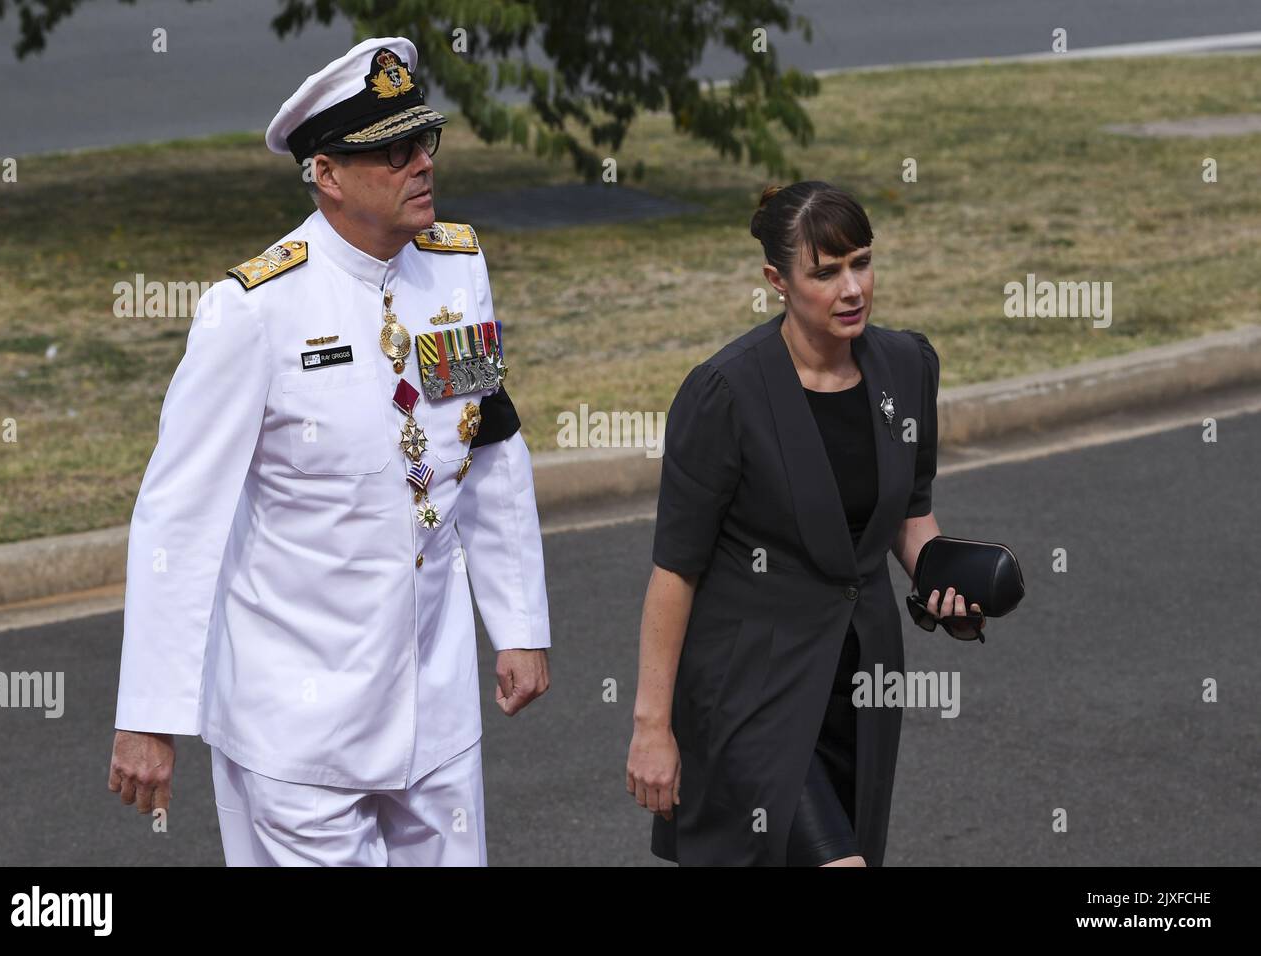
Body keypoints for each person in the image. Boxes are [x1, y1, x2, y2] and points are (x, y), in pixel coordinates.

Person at [107, 37, 552, 866]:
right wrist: (148, 714)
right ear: (326, 173)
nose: (422, 163)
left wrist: (519, 621)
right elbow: (180, 517)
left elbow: (486, 443)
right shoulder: (255, 311)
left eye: (427, 141)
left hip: (436, 703)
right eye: (393, 151)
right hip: (295, 725)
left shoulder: (457, 269)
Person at [626, 181, 984, 866]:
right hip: (749, 690)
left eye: (862, 262)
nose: (852, 288)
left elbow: (909, 514)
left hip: (862, 680)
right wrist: (652, 725)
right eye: (826, 272)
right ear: (777, 281)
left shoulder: (907, 368)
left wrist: (947, 580)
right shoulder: (725, 393)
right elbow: (677, 567)